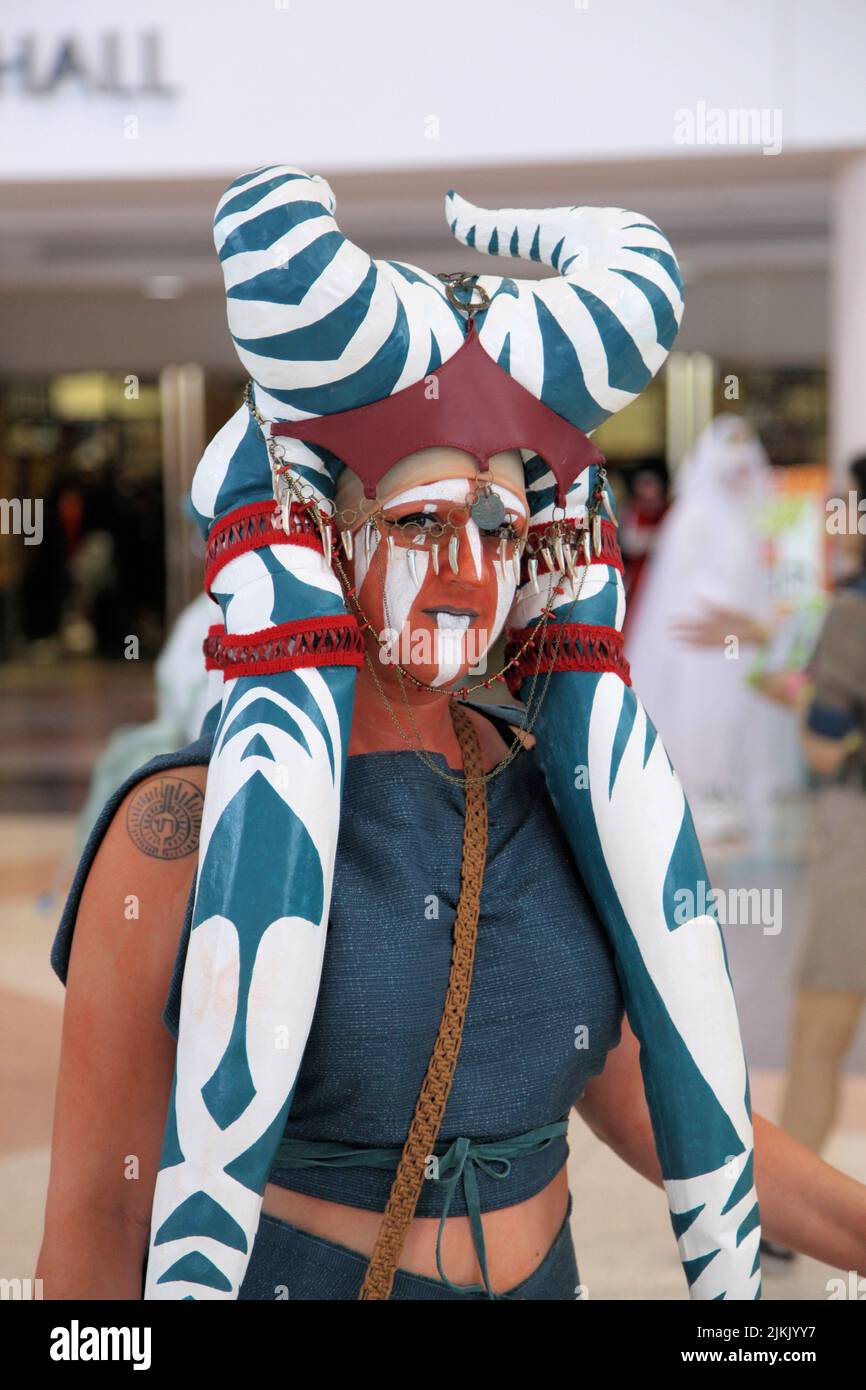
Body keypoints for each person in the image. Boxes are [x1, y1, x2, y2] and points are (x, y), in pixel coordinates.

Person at [37, 166, 866, 1302]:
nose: (469, 575)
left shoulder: (550, 797)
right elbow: (98, 1217)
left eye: (500, 529)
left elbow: (665, 1111)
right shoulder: (176, 829)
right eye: (421, 523)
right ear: (321, 532)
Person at [625, 415, 799, 844]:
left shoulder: (753, 517)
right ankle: (703, 797)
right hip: (701, 643)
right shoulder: (693, 516)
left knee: (740, 719)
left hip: (746, 642)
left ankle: (733, 794)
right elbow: (675, 586)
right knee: (704, 718)